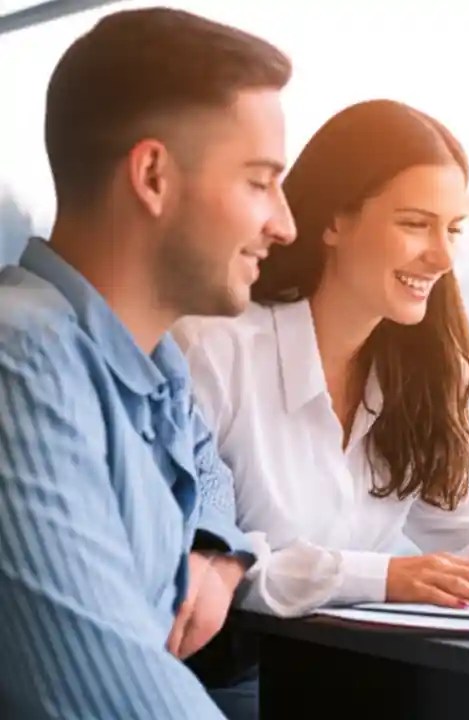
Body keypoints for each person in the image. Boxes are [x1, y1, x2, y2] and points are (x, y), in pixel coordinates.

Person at [174, 99, 469, 623]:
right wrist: (385, 576)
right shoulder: (214, 351)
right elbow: (209, 560)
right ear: (334, 221)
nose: (444, 257)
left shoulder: (432, 369)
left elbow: (468, 528)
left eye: (452, 229)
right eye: (415, 224)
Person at [0, 8, 295, 718]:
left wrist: (216, 554)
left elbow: (210, 477)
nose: (285, 224)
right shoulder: (23, 363)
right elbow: (110, 696)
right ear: (154, 175)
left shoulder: (151, 364)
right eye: (259, 182)